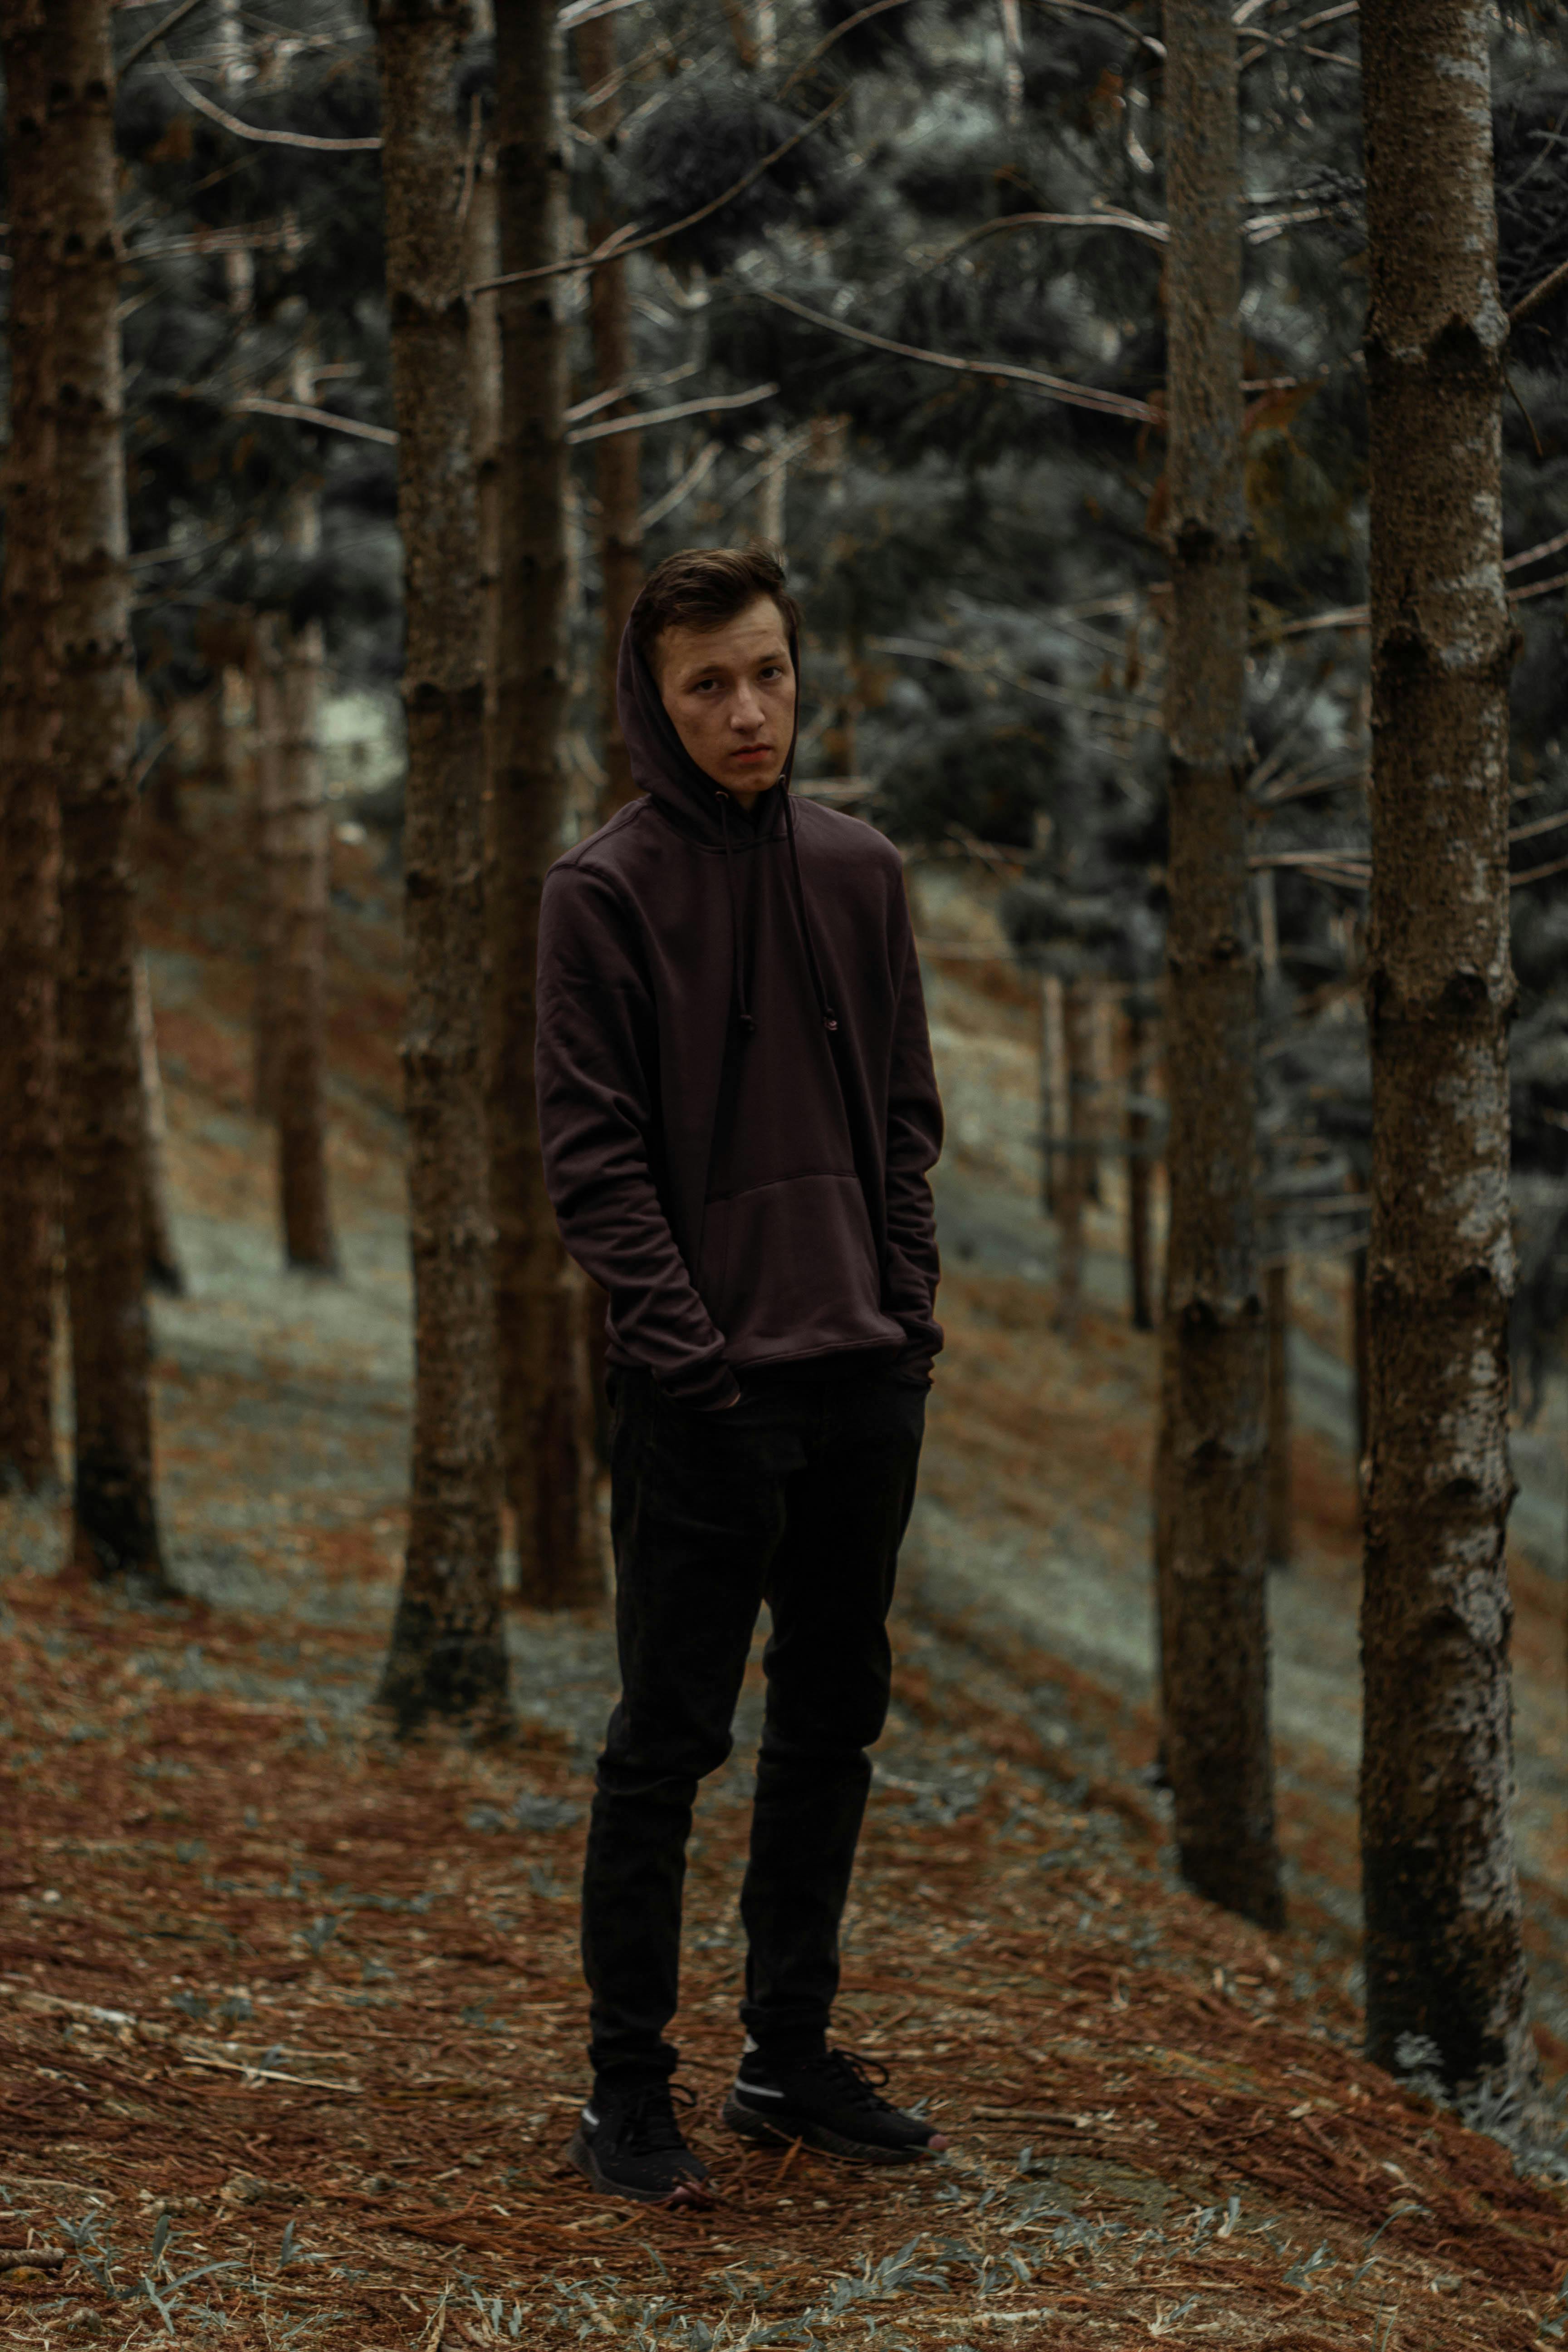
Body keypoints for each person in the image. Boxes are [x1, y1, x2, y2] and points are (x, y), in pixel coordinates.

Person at [535, 545, 946, 2209]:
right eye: (709, 683)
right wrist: (689, 1356)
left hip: (862, 1376)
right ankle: (627, 2092)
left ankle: (789, 2056)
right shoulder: (603, 891)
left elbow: (907, 1123)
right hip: (706, 1397)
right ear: (654, 697)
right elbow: (593, 1161)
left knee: (831, 1721)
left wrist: (904, 1315)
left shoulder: (860, 869)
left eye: (768, 672)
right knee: (667, 1738)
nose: (747, 710)